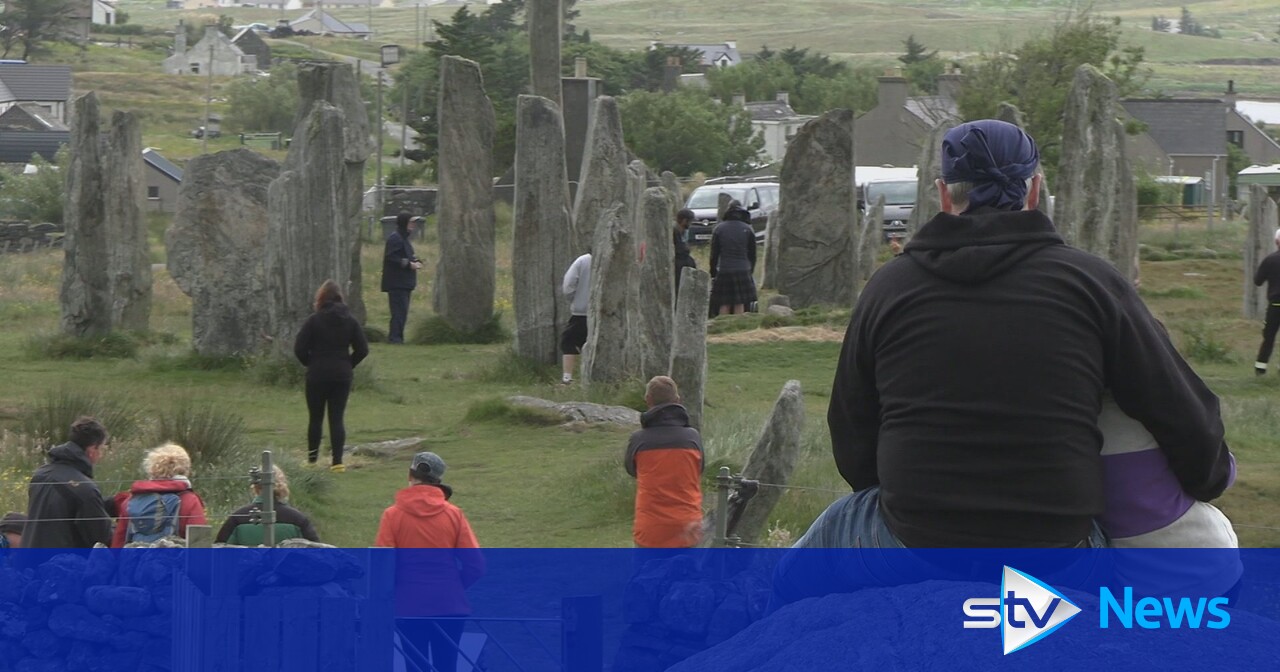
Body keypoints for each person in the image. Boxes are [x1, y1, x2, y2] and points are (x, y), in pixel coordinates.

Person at [811, 119, 1232, 551]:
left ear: (943, 193)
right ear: (1035, 191)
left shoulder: (888, 289)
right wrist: (1210, 478)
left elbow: (851, 431)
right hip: (1057, 546)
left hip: (914, 537)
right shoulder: (1092, 284)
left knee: (801, 561)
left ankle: (773, 598)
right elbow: (1178, 408)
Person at [375, 452, 484, 672]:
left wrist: (393, 593)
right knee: (447, 665)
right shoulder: (454, 514)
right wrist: (453, 586)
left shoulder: (392, 515)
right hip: (450, 604)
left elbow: (382, 567)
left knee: (415, 666)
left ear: (410, 475)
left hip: (408, 604)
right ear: (438, 481)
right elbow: (476, 565)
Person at [295, 279, 370, 472]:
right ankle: (337, 463)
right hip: (341, 374)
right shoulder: (350, 320)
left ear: (320, 298)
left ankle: (312, 460)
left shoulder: (314, 320)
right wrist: (348, 364)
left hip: (317, 373)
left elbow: (299, 348)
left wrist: (310, 363)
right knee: (336, 418)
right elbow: (363, 349)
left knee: (315, 418)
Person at [625, 376, 705, 548]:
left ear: (648, 400)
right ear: (677, 400)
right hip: (688, 526)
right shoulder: (692, 437)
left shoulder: (639, 440)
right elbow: (700, 469)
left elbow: (632, 470)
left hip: (650, 528)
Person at [24, 416, 113, 548]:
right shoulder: (86, 489)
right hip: (63, 559)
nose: (101, 455)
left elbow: (61, 506)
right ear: (92, 450)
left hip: (29, 554)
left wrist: (112, 504)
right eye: (101, 448)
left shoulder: (40, 475)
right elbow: (101, 537)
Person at [110, 443, 207, 547]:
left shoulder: (131, 501)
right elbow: (199, 543)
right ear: (185, 470)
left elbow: (118, 543)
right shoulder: (189, 501)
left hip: (137, 556)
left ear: (152, 469)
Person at [216, 465, 320, 545]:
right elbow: (317, 554)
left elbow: (219, 553)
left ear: (255, 486)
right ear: (283, 486)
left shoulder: (238, 517)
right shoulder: (297, 519)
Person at [382, 212, 424, 345]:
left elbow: (406, 255)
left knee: (402, 311)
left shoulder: (403, 238)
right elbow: (391, 257)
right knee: (399, 312)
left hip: (404, 282)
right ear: (404, 223)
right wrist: (408, 264)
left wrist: (417, 261)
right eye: (411, 222)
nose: (413, 225)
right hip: (397, 282)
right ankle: (395, 338)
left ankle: (397, 337)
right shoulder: (395, 238)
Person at [709, 202, 757, 315]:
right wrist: (750, 270)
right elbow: (752, 255)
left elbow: (714, 254)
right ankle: (737, 324)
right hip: (743, 269)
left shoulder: (719, 229)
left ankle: (722, 324)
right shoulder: (748, 229)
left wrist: (713, 273)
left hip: (724, 269)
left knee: (724, 302)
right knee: (739, 302)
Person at [560, 252, 592, 384]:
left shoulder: (583, 260)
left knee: (569, 342)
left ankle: (567, 377)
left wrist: (575, 300)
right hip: (609, 312)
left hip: (581, 311)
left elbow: (568, 285)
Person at [1253, 227, 1280, 375]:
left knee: (1268, 338)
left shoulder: (1269, 260)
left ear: (1276, 241)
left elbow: (1258, 281)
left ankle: (1260, 369)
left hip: (1275, 305)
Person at [673, 208, 698, 290]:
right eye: (690, 221)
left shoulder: (682, 232)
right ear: (684, 221)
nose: (691, 224)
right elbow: (680, 251)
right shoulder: (675, 232)